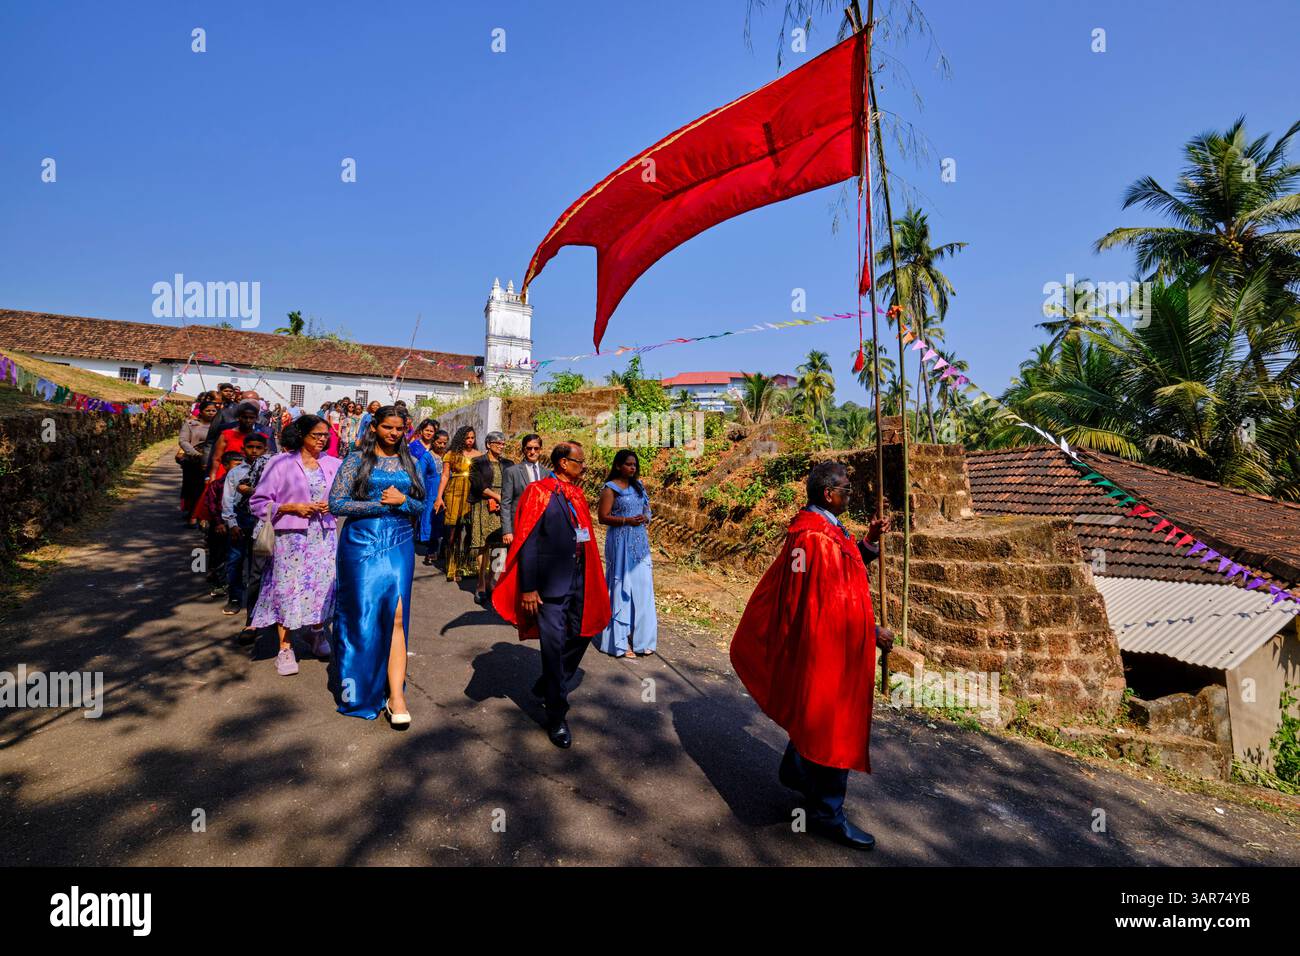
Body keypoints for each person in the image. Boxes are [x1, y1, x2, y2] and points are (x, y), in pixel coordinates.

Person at [729, 460, 892, 851]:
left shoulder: (826, 530)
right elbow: (827, 603)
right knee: (835, 725)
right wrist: (871, 632)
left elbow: (847, 571)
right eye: (846, 489)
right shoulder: (814, 538)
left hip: (832, 645)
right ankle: (826, 813)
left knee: (820, 718)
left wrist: (869, 541)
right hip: (830, 647)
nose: (850, 494)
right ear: (827, 494)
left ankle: (798, 769)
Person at [492, 441, 611, 749]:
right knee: (554, 649)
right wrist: (529, 588)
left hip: (578, 582)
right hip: (548, 588)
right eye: (579, 462)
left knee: (584, 633)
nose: (583, 467)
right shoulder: (539, 492)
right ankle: (557, 715)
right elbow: (527, 541)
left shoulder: (576, 494)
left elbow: (583, 539)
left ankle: (548, 684)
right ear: (562, 463)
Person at [329, 406, 427, 725]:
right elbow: (336, 503)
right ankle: (358, 688)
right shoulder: (356, 460)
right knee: (363, 615)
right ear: (374, 427)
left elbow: (420, 503)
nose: (393, 434)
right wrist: (379, 504)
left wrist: (403, 503)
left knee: (397, 614)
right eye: (387, 427)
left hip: (399, 542)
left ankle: (396, 695)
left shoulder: (409, 461)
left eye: (399, 429)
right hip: (361, 543)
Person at [248, 415, 341, 676]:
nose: (322, 440)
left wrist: (332, 504)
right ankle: (286, 646)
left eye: (326, 435)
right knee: (288, 587)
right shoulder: (281, 464)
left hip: (322, 536)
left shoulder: (335, 464)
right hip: (289, 537)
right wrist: (290, 507)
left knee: (323, 586)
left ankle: (316, 633)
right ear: (301, 435)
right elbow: (257, 503)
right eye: (316, 435)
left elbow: (345, 498)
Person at [594, 450, 658, 658]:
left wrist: (645, 517)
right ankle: (619, 642)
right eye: (629, 464)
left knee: (644, 588)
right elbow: (602, 517)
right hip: (620, 540)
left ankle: (643, 641)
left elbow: (648, 509)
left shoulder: (638, 486)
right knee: (621, 585)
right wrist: (626, 520)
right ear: (619, 466)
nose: (632, 468)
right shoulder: (610, 488)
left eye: (635, 465)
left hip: (640, 542)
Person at [221, 431, 269, 617]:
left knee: (259, 564)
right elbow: (228, 499)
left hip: (260, 521)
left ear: (265, 449)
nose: (254, 451)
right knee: (235, 560)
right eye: (250, 447)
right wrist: (231, 523)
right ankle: (234, 597)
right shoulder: (235, 473)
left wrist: (252, 490)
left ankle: (257, 602)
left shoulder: (268, 471)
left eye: (258, 448)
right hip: (240, 520)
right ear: (243, 449)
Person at [468, 431, 514, 605]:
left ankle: (492, 580)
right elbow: (478, 484)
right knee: (483, 544)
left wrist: (506, 501)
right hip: (484, 505)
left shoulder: (508, 464)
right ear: (488, 444)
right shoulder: (477, 462)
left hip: (504, 506)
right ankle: (480, 583)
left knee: (500, 545)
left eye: (503, 444)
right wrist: (499, 497)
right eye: (498, 443)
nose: (501, 446)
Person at [434, 425, 479, 582]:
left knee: (471, 531)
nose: (470, 441)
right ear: (461, 438)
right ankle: (451, 567)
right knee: (453, 533)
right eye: (467, 438)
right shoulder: (451, 454)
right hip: (454, 494)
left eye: (472, 438)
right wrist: (439, 497)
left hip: (472, 494)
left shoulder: (479, 455)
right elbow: (445, 476)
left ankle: (465, 566)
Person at [178, 400, 219, 526]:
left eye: (214, 410)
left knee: (207, 488)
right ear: (201, 412)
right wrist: (196, 454)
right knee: (192, 487)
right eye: (208, 410)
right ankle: (192, 513)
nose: (211, 413)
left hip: (211, 461)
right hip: (193, 461)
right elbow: (183, 441)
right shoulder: (190, 424)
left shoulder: (219, 426)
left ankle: (204, 515)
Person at [412, 425, 449, 566]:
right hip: (431, 493)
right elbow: (419, 474)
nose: (442, 445)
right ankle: (431, 551)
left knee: (446, 523)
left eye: (445, 443)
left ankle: (445, 551)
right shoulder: (427, 457)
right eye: (439, 442)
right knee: (432, 521)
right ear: (433, 441)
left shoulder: (448, 456)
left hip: (447, 493)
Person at [500, 434, 544, 545]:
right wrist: (507, 531)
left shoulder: (548, 474)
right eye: (529, 448)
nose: (532, 452)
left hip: (542, 527)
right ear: (523, 450)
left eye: (536, 448)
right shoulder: (512, 472)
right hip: (519, 526)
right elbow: (506, 503)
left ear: (541, 450)